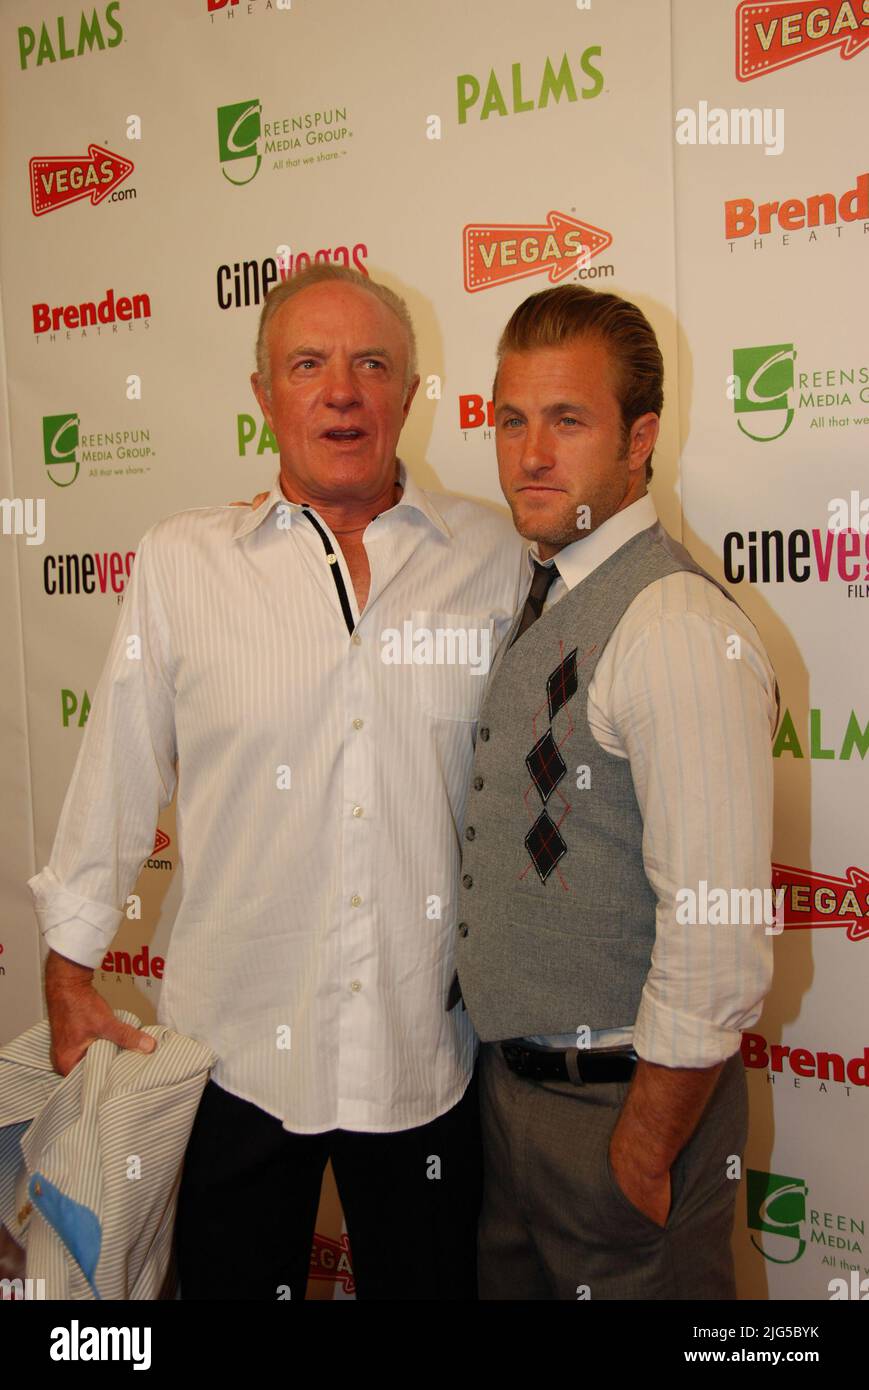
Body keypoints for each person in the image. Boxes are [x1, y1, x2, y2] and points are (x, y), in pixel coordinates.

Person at [29, 264, 525, 1300]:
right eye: (308, 364)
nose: (340, 390)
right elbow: (115, 768)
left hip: (422, 1053)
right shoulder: (180, 565)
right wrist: (69, 978)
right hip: (232, 1058)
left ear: (407, 391)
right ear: (264, 395)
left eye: (370, 364)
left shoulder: (493, 557)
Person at [452, 284, 779, 1300]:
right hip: (512, 1103)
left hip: (624, 1115)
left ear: (639, 438)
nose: (529, 452)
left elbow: (716, 929)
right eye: (510, 419)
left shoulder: (672, 621)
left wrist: (641, 1147)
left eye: (566, 419)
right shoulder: (540, 579)